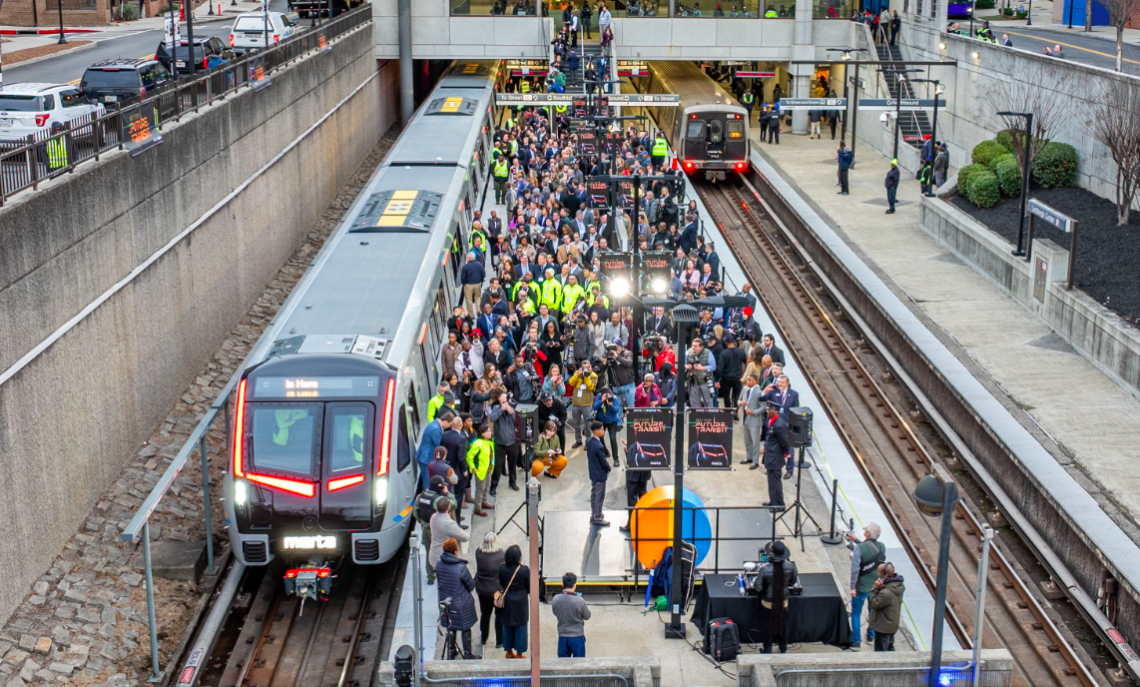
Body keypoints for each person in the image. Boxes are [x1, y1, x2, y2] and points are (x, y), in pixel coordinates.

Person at [436, 538, 479, 659]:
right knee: (465, 627)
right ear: (455, 551)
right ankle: (467, 653)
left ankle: (451, 651)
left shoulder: (439, 565)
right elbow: (471, 586)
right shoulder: (460, 567)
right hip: (461, 603)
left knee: (451, 627)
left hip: (446, 602)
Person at [754, 541, 799, 654]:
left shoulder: (765, 569)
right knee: (783, 626)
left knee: (767, 627)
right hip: (783, 602)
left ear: (772, 554)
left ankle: (768, 649)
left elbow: (757, 587)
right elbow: (793, 581)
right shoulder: (790, 566)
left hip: (768, 604)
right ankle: (783, 649)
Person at [848, 522, 885, 649]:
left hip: (861, 587)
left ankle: (856, 642)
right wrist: (857, 540)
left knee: (856, 613)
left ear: (868, 534)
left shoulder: (860, 548)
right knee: (872, 612)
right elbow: (870, 551)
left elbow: (855, 569)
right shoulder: (882, 547)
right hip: (875, 587)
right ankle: (870, 636)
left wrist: (852, 587)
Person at [499, 544, 531, 658]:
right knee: (521, 627)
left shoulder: (502, 568)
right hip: (521, 602)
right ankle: (519, 653)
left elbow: (501, 584)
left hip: (507, 600)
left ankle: (508, 651)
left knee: (507, 625)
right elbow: (529, 587)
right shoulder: (524, 570)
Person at [475, 533, 507, 649]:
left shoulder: (478, 553)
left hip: (482, 589)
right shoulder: (501, 555)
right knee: (499, 615)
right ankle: (499, 641)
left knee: (485, 614)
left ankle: (483, 638)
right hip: (497, 590)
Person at [429, 497, 470, 583]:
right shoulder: (449, 524)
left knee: (441, 583)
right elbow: (465, 537)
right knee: (449, 584)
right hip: (446, 560)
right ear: (448, 508)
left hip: (434, 555)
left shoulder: (433, 517)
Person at [551, 572, 592, 657]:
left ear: (562, 584)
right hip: (577, 636)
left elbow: (555, 612)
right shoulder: (580, 601)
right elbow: (587, 616)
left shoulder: (556, 599)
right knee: (579, 664)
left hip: (562, 635)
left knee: (563, 664)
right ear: (575, 585)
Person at [489, 390, 521, 494]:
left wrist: (511, 412)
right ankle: (493, 486)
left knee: (512, 464)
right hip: (500, 442)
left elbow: (518, 422)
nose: (506, 403)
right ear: (499, 401)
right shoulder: (496, 408)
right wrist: (502, 409)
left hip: (512, 442)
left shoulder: (514, 408)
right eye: (503, 402)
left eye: (506, 401)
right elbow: (493, 418)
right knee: (498, 466)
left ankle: (512, 482)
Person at [869, 562, 904, 651]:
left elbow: (873, 603)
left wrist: (875, 587)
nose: (877, 574)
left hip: (883, 627)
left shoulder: (885, 593)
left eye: (879, 573)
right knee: (889, 647)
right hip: (892, 624)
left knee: (881, 652)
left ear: (885, 576)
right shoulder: (898, 586)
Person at [762, 404, 791, 507]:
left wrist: (786, 452)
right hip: (771, 456)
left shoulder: (778, 425)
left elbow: (784, 441)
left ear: (775, 411)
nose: (767, 411)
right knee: (772, 482)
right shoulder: (772, 422)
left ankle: (778, 504)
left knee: (775, 482)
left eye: (769, 409)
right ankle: (773, 501)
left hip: (775, 457)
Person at [416, 411, 451, 491]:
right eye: (449, 424)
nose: (449, 426)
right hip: (426, 458)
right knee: (427, 482)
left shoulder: (434, 424)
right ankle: (426, 499)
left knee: (425, 479)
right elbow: (439, 445)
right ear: (445, 421)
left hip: (424, 457)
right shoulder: (436, 430)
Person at [586, 421, 612, 526]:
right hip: (600, 474)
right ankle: (597, 516)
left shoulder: (589, 442)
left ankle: (595, 513)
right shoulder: (599, 446)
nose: (603, 431)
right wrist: (608, 468)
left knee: (594, 494)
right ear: (596, 431)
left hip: (593, 473)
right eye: (602, 429)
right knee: (599, 495)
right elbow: (603, 461)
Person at [568, 360, 598, 448]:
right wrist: (577, 375)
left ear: (590, 367)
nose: (586, 369)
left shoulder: (593, 376)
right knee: (576, 424)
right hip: (576, 403)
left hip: (587, 404)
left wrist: (586, 376)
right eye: (584, 367)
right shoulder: (577, 373)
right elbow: (571, 383)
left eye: (587, 367)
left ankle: (588, 441)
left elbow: (591, 387)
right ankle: (578, 440)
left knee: (588, 424)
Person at [466, 423, 495, 517]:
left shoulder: (490, 441)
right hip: (481, 470)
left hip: (488, 469)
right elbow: (469, 456)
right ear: (482, 433)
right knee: (480, 489)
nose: (490, 433)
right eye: (487, 431)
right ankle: (478, 508)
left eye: (490, 431)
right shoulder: (478, 443)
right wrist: (473, 468)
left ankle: (484, 502)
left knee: (487, 487)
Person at [593, 388, 623, 467]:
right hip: (601, 420)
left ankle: (616, 458)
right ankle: (605, 452)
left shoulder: (614, 398)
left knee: (613, 439)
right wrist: (601, 401)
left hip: (612, 421)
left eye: (608, 395)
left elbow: (616, 410)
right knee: (600, 438)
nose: (606, 397)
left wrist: (611, 405)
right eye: (604, 396)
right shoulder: (599, 397)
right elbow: (595, 407)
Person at [716, 334, 746, 410]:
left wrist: (717, 380)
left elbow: (720, 368)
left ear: (726, 342)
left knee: (726, 395)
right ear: (734, 342)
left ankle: (728, 411)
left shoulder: (724, 353)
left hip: (726, 377)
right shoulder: (741, 352)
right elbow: (746, 363)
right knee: (737, 395)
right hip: (738, 377)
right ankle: (735, 410)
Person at [741, 374, 765, 468]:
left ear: (755, 381)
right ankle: (749, 457)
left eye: (749, 380)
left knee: (755, 442)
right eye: (747, 380)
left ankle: (755, 461)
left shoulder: (759, 392)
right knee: (747, 440)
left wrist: (753, 412)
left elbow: (763, 407)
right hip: (747, 418)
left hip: (754, 420)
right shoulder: (748, 390)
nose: (747, 382)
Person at [461, 252, 485, 318]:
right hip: (478, 284)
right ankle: (478, 311)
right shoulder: (479, 264)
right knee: (478, 297)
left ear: (468, 258)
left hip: (468, 285)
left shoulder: (465, 267)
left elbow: (463, 277)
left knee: (469, 300)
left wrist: (464, 283)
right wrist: (481, 280)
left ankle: (471, 315)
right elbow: (483, 274)